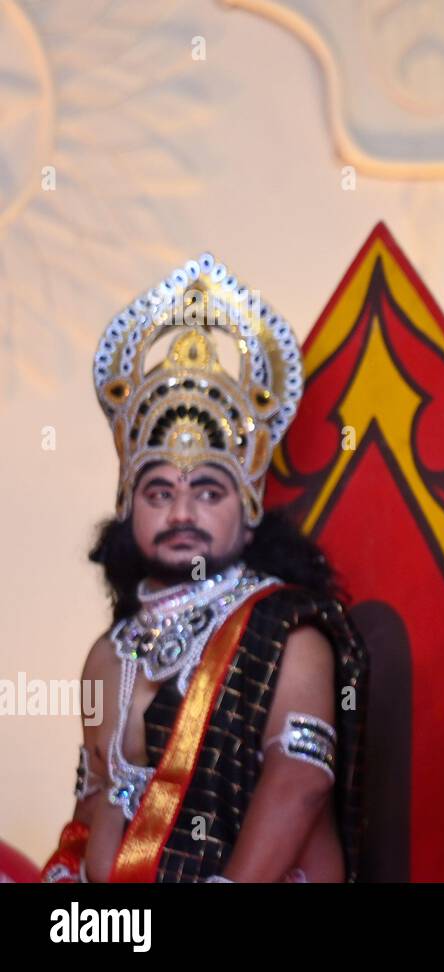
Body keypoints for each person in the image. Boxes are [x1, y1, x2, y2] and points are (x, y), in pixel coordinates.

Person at [40, 255, 366, 883]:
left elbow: (299, 785)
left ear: (248, 512)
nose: (181, 511)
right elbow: (93, 803)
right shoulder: (109, 656)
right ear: (127, 509)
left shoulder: (287, 633)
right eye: (158, 492)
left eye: (209, 492)